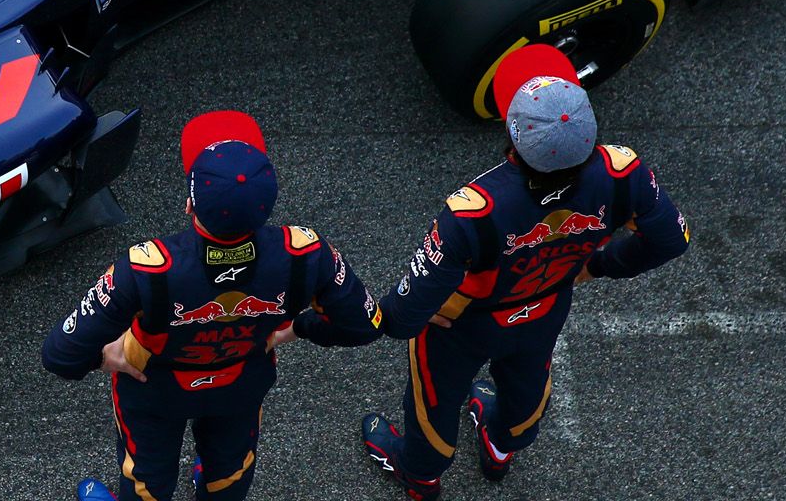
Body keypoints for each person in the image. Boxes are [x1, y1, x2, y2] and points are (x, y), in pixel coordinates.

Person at [361, 45, 691, 498]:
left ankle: (420, 476)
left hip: (466, 324)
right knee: (527, 387)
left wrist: (392, 311)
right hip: (545, 307)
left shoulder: (473, 210)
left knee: (434, 402)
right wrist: (596, 265)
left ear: (514, 136)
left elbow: (400, 317)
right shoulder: (622, 171)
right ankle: (499, 451)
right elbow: (672, 238)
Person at [43, 110, 380, 500]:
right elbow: (363, 325)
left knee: (146, 481)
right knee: (230, 474)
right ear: (267, 205)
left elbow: (61, 355)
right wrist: (297, 328)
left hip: (154, 389)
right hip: (240, 382)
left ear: (190, 204)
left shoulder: (145, 269)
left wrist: (105, 357)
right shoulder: (308, 254)